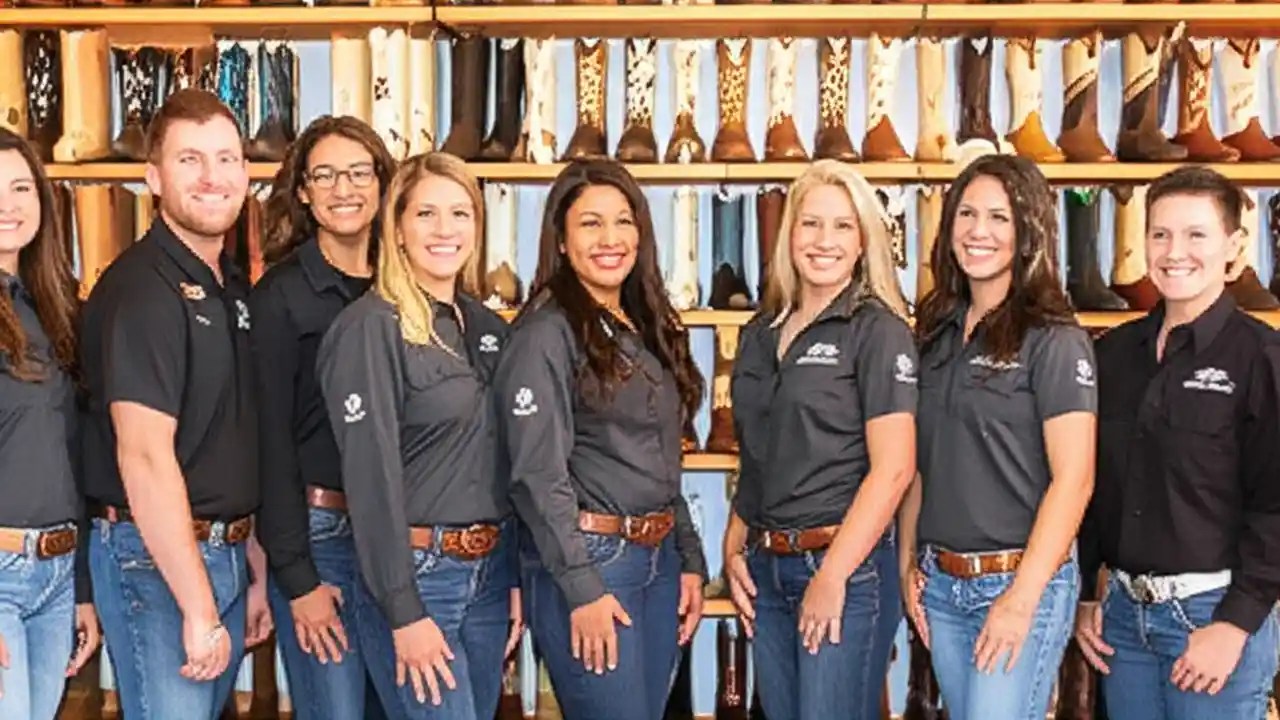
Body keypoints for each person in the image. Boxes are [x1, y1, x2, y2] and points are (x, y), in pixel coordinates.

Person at [78, 89, 272, 719]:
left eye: (226, 159)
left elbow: (225, 440)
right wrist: (196, 605)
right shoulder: (144, 289)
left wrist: (251, 561)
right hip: (156, 563)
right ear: (153, 178)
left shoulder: (227, 284)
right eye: (190, 160)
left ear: (246, 173)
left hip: (218, 555)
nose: (212, 177)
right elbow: (144, 458)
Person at [495, 159, 708, 720]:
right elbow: (536, 476)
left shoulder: (641, 320)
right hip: (593, 561)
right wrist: (582, 588)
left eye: (623, 220)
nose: (610, 238)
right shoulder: (546, 332)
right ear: (561, 240)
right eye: (590, 224)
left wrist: (688, 555)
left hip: (656, 559)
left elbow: (659, 460)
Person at [317, 151, 521, 719]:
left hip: (487, 574)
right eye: (426, 214)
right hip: (419, 578)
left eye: (461, 214)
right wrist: (403, 610)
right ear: (398, 229)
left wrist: (513, 574)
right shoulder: (370, 327)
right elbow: (369, 478)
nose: (445, 229)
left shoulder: (483, 327)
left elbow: (506, 464)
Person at [1075, 166, 1280, 719]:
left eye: (1196, 235)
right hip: (1123, 623)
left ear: (1233, 247)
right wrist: (1087, 596)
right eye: (1160, 234)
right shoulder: (1113, 355)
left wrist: (1236, 624)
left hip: (1212, 619)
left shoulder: (1262, 359)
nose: (1174, 251)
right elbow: (1094, 487)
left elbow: (1275, 506)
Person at [901, 153, 1097, 720]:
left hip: (1018, 583)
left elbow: (1075, 480)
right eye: (966, 214)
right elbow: (922, 466)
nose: (978, 231)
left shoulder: (1054, 339)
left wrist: (1021, 600)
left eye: (999, 217)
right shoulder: (934, 334)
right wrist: (909, 563)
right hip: (942, 585)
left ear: (1028, 231)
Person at [720, 159, 916, 720]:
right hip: (769, 567)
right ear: (789, 234)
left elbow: (895, 469)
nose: (823, 241)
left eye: (842, 226)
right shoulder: (761, 332)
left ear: (863, 242)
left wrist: (834, 576)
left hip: (843, 570)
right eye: (810, 224)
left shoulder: (877, 330)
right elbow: (758, 454)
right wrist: (735, 543)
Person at [250, 115, 397, 720]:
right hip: (321, 537)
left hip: (396, 539)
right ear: (303, 192)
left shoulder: (404, 286)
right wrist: (297, 578)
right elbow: (269, 444)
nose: (345, 188)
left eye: (360, 172)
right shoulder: (280, 297)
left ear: (383, 184)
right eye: (327, 175)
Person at [0, 128, 100, 720]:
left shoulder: (52, 308)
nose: (8, 205)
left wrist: (80, 588)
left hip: (56, 573)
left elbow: (71, 458)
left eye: (20, 188)